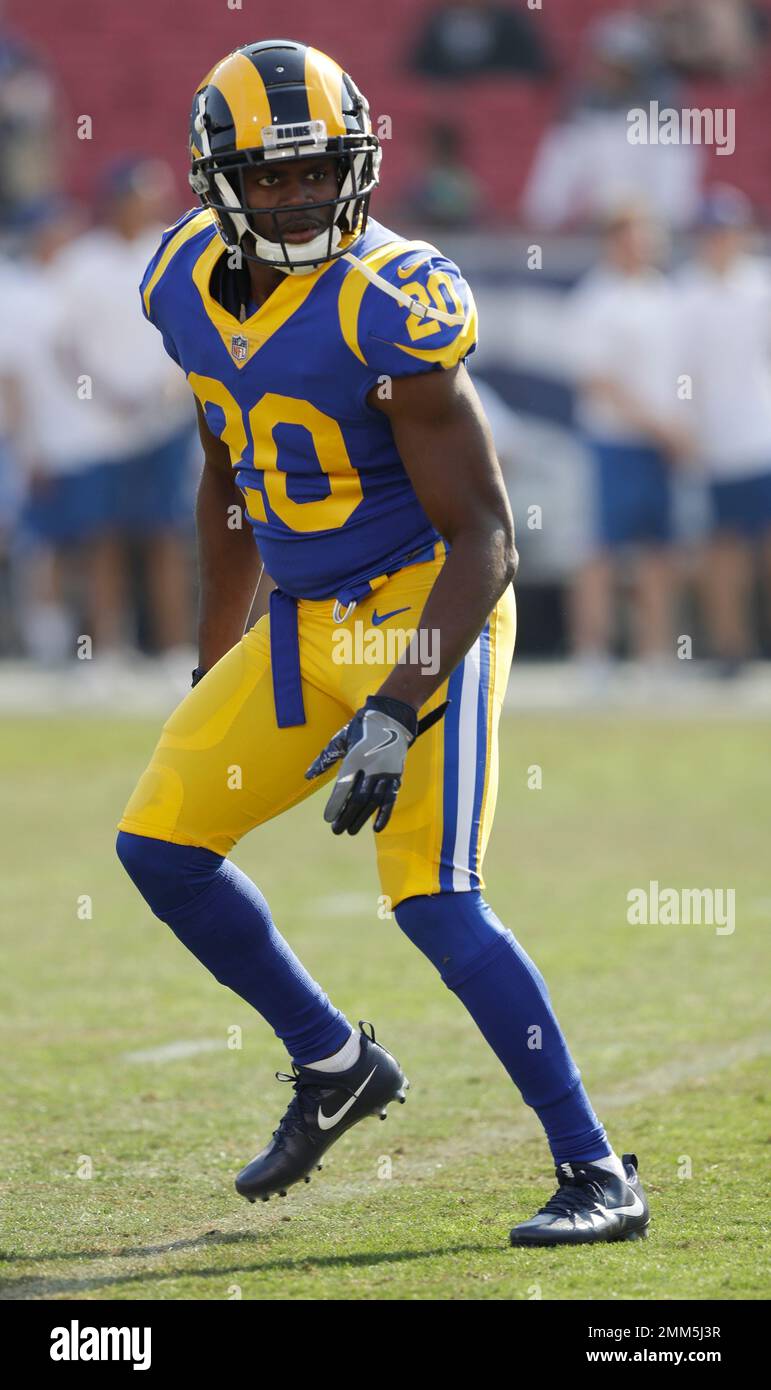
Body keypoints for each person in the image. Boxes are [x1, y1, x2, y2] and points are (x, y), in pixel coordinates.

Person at [116, 39, 649, 1247]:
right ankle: (334, 1063)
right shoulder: (181, 281)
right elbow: (228, 473)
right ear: (219, 183)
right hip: (304, 620)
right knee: (161, 848)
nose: (303, 196)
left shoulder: (387, 300)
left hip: (427, 607)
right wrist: (215, 658)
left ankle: (596, 1169)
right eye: (273, 176)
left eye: (321, 171)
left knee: (433, 898)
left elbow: (487, 538)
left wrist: (398, 706)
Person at [566, 206, 691, 669]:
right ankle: (592, 652)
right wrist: (660, 426)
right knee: (601, 549)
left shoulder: (664, 293)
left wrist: (676, 426)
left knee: (659, 551)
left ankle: (655, 652)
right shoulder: (597, 299)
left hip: (658, 445)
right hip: (613, 441)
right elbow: (599, 380)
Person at [677, 186, 771, 669]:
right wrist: (686, 426)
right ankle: (730, 647)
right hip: (715, 442)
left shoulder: (760, 287)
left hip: (761, 434)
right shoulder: (686, 293)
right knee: (724, 549)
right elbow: (680, 371)